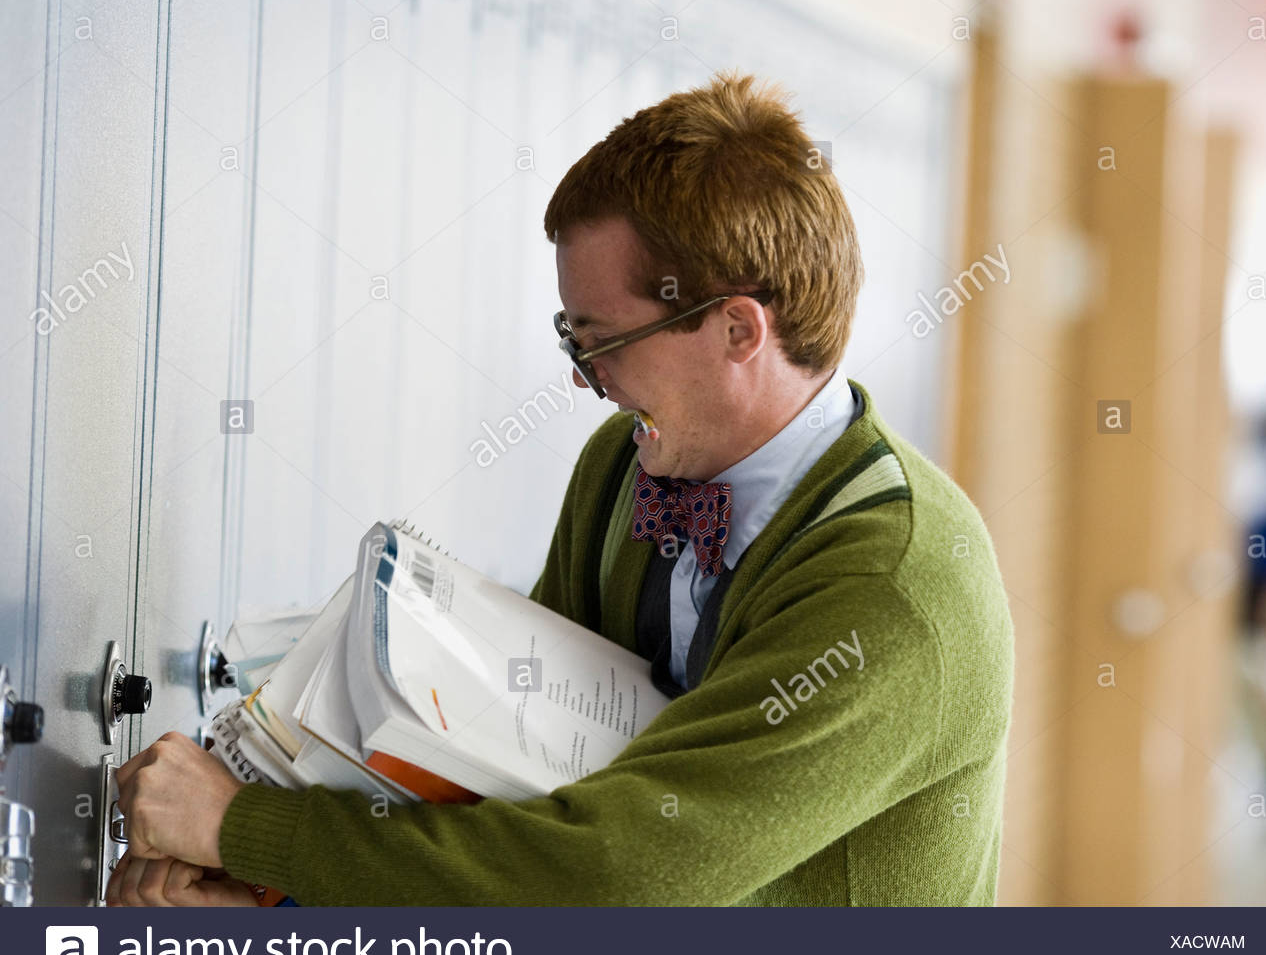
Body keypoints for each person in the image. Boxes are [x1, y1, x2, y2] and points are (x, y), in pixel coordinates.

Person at [107, 72, 1015, 907]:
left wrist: (244, 827)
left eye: (604, 339)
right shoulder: (625, 466)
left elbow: (614, 875)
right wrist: (279, 890)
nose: (588, 378)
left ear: (738, 329)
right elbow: (499, 765)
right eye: (568, 337)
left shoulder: (895, 591)